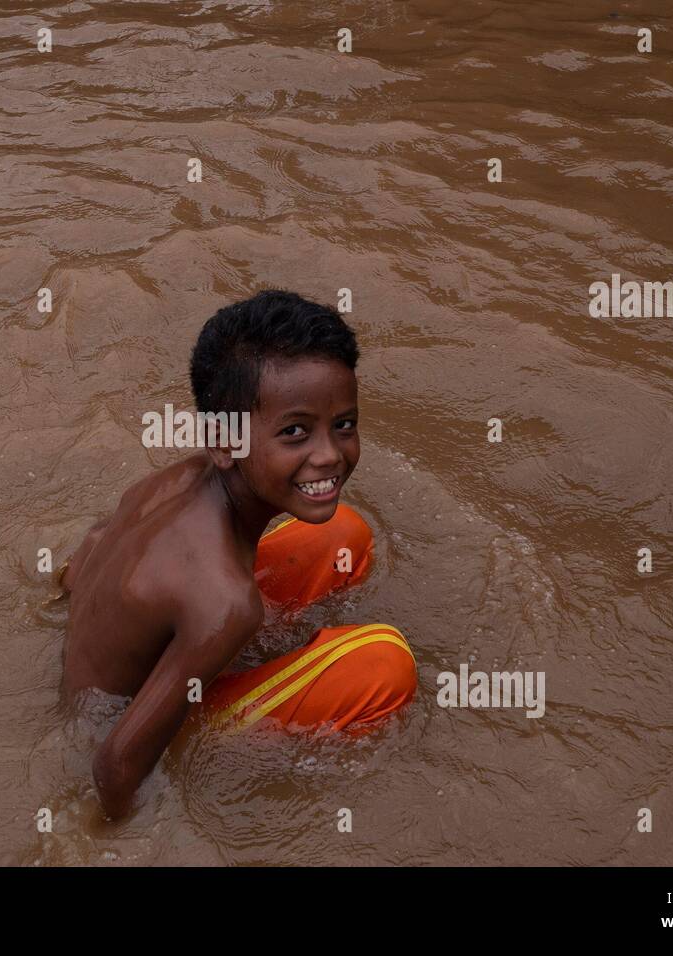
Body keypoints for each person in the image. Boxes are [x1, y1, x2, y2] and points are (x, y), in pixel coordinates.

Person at [60, 290, 417, 819]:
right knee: (386, 662)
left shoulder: (171, 481)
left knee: (345, 535)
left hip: (111, 667)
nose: (329, 454)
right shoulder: (226, 603)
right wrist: (104, 835)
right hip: (119, 721)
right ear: (225, 443)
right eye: (295, 431)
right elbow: (114, 763)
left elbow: (80, 562)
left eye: (344, 423)